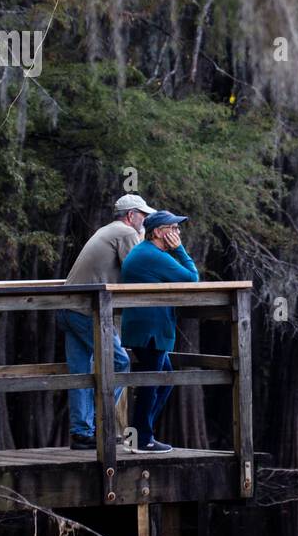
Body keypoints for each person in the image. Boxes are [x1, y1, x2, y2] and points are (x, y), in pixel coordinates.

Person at [58, 193, 156, 450]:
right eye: (142, 216)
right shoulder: (125, 232)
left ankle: (82, 433)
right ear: (130, 215)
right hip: (86, 311)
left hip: (69, 307)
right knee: (120, 361)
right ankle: (101, 426)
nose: (144, 221)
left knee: (80, 372)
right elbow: (138, 269)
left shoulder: (108, 230)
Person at [120, 210, 199, 453]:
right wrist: (180, 250)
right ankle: (142, 439)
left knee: (163, 380)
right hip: (150, 331)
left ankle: (141, 433)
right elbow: (192, 278)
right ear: (157, 232)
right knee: (152, 384)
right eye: (173, 228)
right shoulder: (152, 254)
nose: (178, 232)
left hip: (147, 329)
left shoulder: (146, 252)